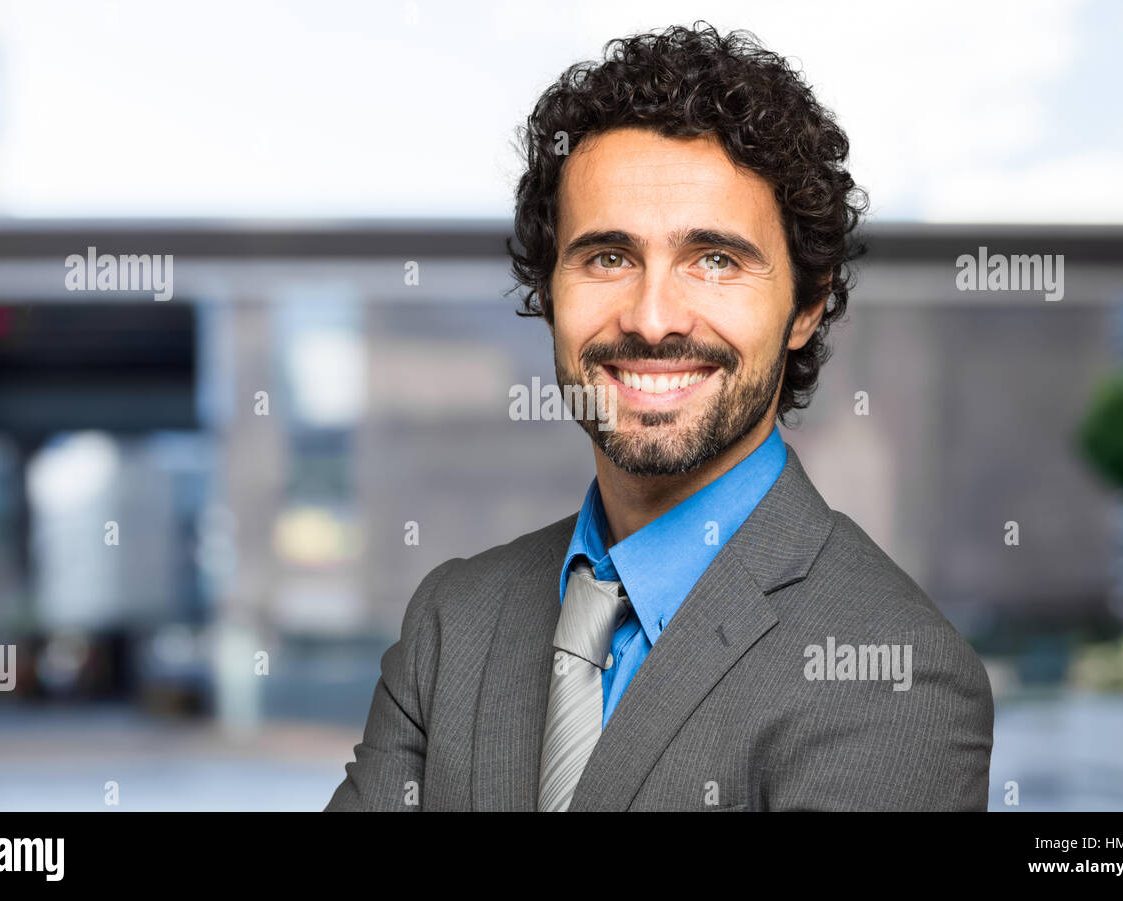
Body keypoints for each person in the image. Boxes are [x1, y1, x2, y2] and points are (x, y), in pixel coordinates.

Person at [326, 21, 992, 812]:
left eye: (715, 260)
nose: (651, 318)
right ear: (549, 292)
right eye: (608, 256)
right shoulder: (454, 621)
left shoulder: (893, 668)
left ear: (808, 306)